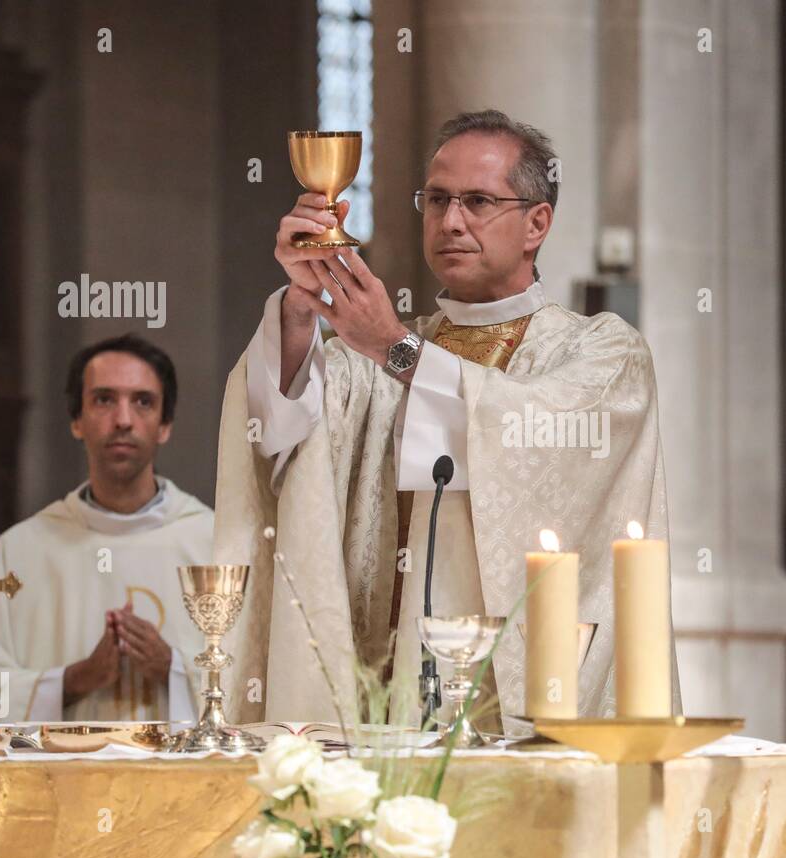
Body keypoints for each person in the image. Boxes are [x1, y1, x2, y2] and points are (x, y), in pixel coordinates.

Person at [215, 109, 680, 727]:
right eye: (436, 200)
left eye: (478, 201)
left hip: (517, 695)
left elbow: (537, 437)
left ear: (537, 222)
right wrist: (302, 307)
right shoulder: (373, 358)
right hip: (387, 681)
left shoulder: (601, 352)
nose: (451, 221)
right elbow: (280, 437)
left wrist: (392, 348)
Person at [0, 335, 212, 723]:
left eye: (143, 401)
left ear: (165, 425)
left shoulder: (214, 544)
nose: (124, 419)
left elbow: (264, 688)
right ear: (77, 421)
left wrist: (173, 670)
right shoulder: (17, 554)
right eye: (104, 399)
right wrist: (72, 681)